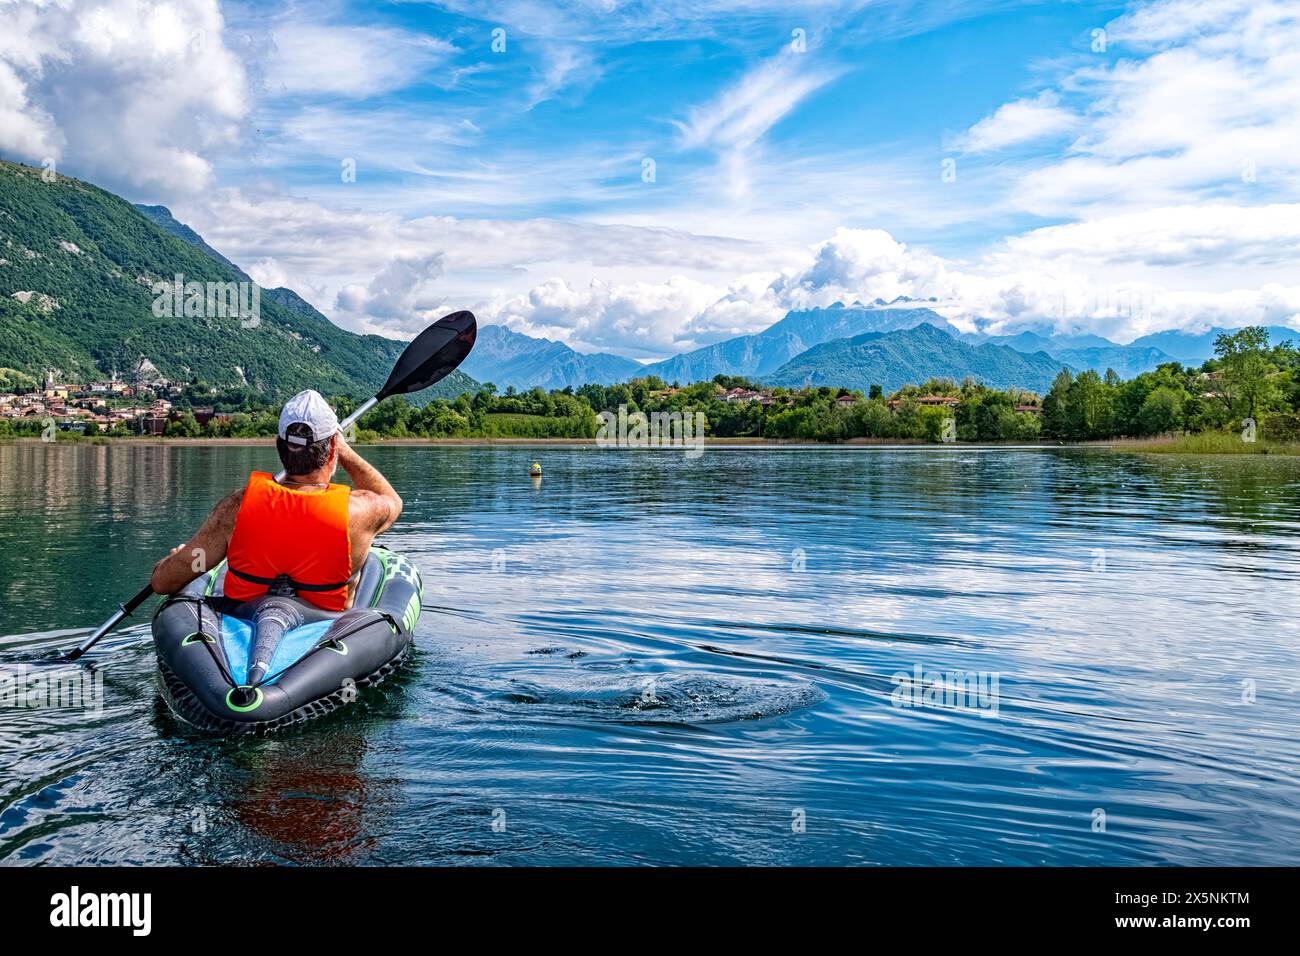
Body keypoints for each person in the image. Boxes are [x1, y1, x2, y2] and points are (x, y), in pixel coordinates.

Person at [149, 390, 402, 608]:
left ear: (279, 445)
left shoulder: (237, 508)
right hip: (324, 637)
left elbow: (163, 581)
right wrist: (344, 451)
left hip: (244, 625)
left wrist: (181, 558)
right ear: (332, 448)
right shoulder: (359, 512)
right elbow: (392, 500)